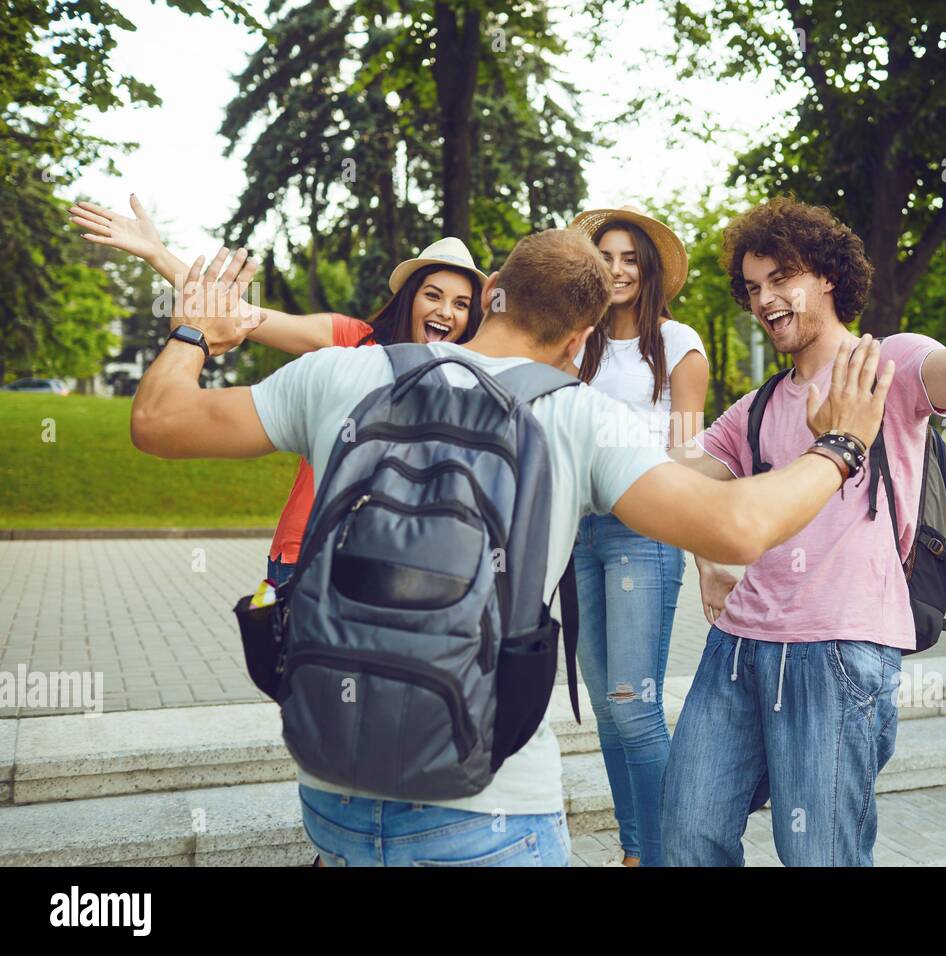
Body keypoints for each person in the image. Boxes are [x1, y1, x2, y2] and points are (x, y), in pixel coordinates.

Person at [128, 227, 896, 866]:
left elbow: (158, 423)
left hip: (334, 785)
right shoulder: (579, 417)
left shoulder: (342, 374)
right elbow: (737, 526)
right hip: (489, 810)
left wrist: (197, 331)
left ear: (490, 292)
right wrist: (840, 445)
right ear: (579, 339)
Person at [661, 197, 946, 867]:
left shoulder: (892, 365)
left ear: (827, 276)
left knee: (820, 854)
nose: (764, 297)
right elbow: (674, 476)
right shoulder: (757, 406)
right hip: (736, 649)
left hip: (838, 651)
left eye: (780, 277)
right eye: (753, 285)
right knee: (686, 838)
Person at [70, 196, 486, 586]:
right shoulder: (353, 341)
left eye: (461, 304)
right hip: (304, 552)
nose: (445, 311)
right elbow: (243, 314)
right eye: (433, 295)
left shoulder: (472, 379)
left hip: (404, 564)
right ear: (410, 299)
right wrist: (157, 253)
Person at [565, 206, 707, 867]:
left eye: (629, 258)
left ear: (647, 270)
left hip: (642, 534)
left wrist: (709, 556)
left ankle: (673, 853)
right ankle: (635, 851)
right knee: (608, 706)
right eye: (606, 257)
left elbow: (691, 455)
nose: (617, 269)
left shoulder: (679, 345)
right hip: (579, 534)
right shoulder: (575, 342)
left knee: (635, 704)